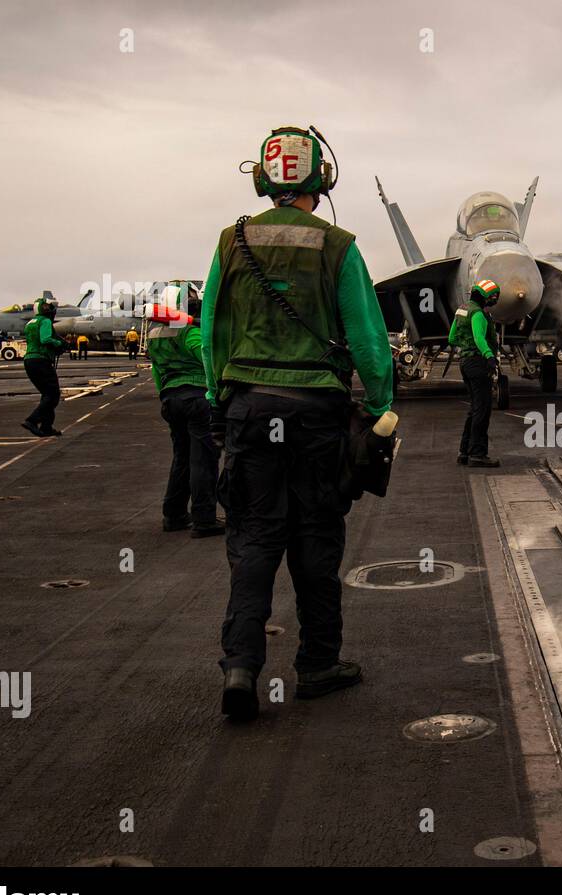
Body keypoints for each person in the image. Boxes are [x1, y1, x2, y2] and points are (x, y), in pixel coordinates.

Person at [201, 125, 394, 721]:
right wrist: (383, 399)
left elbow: (212, 330)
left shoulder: (231, 243)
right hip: (316, 415)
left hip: (250, 410)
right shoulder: (338, 245)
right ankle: (316, 665)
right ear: (323, 180)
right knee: (316, 538)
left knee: (255, 539)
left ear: (262, 179)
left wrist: (217, 395)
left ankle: (240, 668)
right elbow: (366, 335)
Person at [148, 288, 223, 538]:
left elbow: (156, 371)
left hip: (170, 399)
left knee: (181, 457)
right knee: (204, 458)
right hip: (197, 396)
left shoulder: (155, 334)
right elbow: (205, 357)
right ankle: (204, 518)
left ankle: (174, 514)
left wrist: (164, 394)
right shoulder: (189, 331)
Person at [450, 279, 501, 467]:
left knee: (474, 409)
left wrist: (465, 348)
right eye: (494, 297)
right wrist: (488, 356)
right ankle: (477, 455)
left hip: (465, 363)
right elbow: (480, 338)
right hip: (478, 364)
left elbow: (451, 337)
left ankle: (464, 452)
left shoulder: (462, 310)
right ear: (487, 297)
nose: (495, 300)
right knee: (483, 410)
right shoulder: (478, 314)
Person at [20, 297, 68, 437]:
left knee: (47, 395)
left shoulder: (30, 323)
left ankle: (47, 427)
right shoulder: (45, 321)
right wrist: (59, 344)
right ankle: (32, 420)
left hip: (29, 361)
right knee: (53, 394)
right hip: (40, 361)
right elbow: (45, 339)